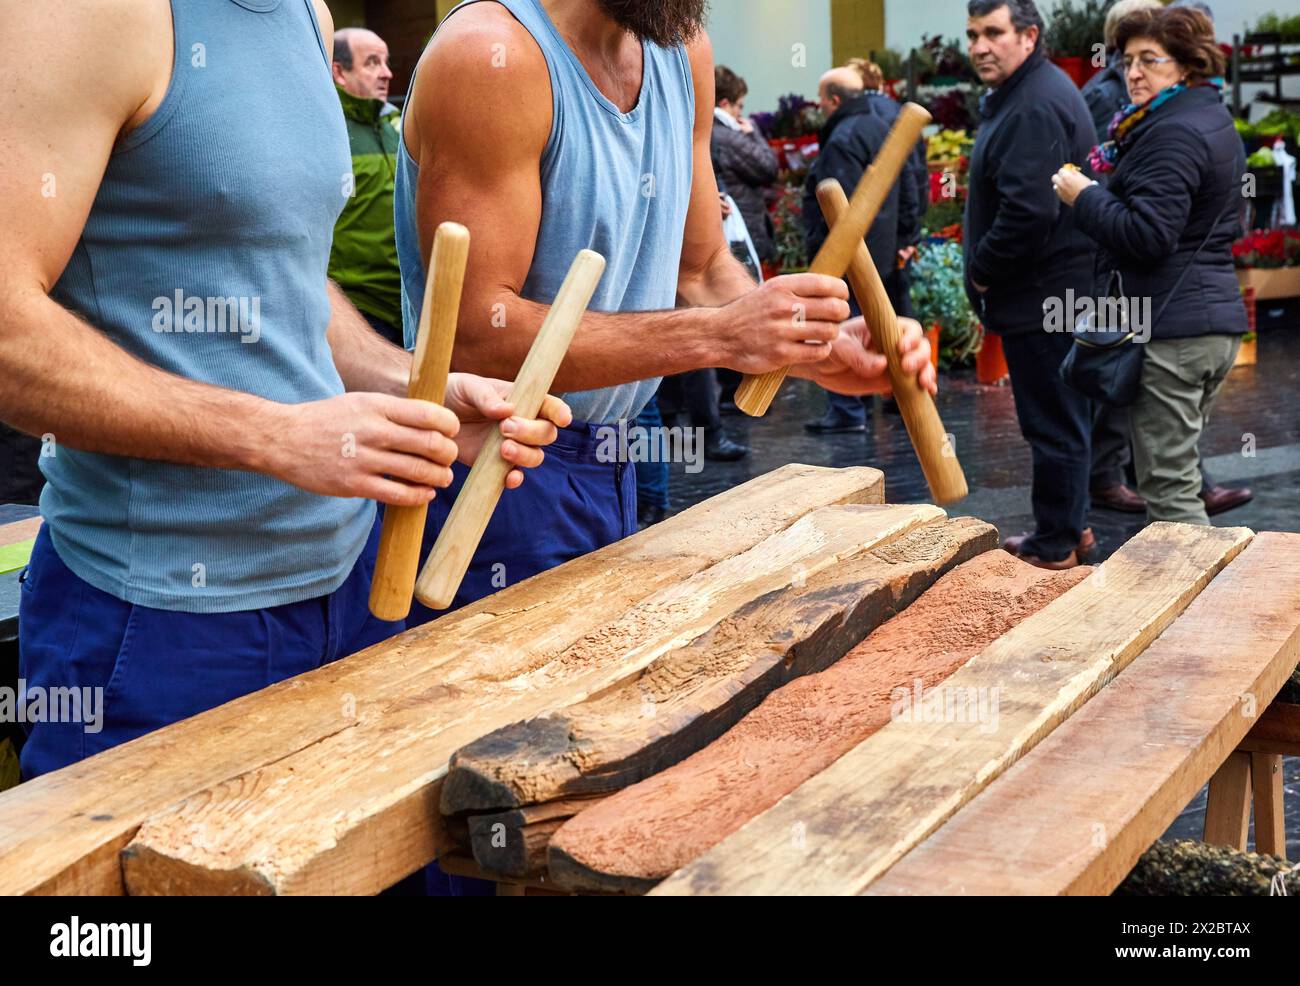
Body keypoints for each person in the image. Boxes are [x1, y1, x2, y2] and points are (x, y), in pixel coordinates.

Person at [0, 0, 566, 781]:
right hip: (164, 621)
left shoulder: (304, 12)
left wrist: (412, 385)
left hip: (347, 581)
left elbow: (282, 274)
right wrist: (277, 436)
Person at [397, 0, 937, 617]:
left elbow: (702, 269)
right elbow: (476, 339)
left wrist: (815, 344)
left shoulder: (681, 48)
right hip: (495, 466)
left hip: (614, 456)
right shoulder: (492, 57)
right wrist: (719, 337)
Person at [1053, 5, 1249, 526]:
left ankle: (1199, 604)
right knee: (1174, 473)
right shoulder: (1202, 117)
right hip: (1201, 320)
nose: (1132, 72)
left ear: (1185, 65)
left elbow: (1149, 236)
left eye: (1149, 60)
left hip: (1175, 331)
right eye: (1126, 60)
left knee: (1170, 492)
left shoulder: (1173, 132)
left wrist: (1085, 196)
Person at [964, 0, 1097, 569]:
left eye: (993, 32)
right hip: (1049, 291)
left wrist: (983, 269)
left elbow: (1028, 212)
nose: (979, 46)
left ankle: (1057, 544)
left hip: (1044, 295)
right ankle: (1072, 527)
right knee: (1061, 417)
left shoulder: (1034, 102)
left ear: (1028, 35)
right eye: (972, 34)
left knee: (1053, 421)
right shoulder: (1028, 92)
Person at [801, 67, 918, 435]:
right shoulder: (882, 126)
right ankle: (870, 398)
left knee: (840, 321)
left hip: (851, 255)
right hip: (881, 248)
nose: (820, 106)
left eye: (822, 100)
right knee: (869, 324)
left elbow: (838, 208)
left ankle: (848, 410)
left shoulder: (843, 137)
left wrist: (821, 250)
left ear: (834, 100)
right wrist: (904, 236)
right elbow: (910, 182)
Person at [329, 28, 404, 346]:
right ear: (339, 72)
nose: (386, 73)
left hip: (407, 306)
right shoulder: (324, 131)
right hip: (357, 313)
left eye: (386, 62)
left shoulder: (398, 125)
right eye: (372, 63)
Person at [711, 66, 779, 265]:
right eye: (739, 106)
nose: (741, 113)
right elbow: (769, 168)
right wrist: (753, 133)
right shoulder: (728, 137)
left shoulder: (702, 130)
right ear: (725, 104)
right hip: (742, 229)